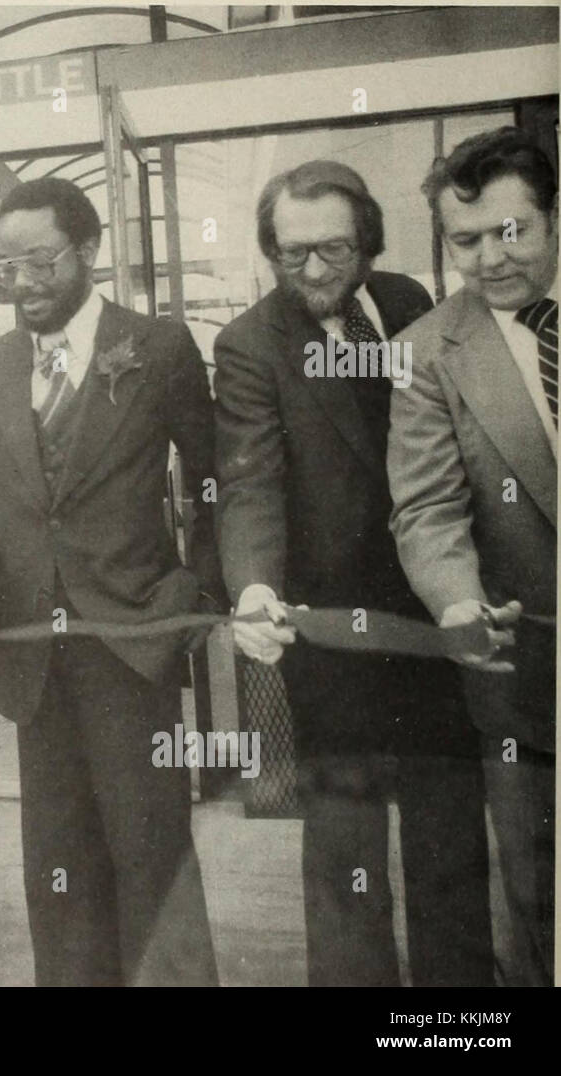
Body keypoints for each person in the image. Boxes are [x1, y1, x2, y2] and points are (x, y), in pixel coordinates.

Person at [213, 160, 493, 986]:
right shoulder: (250, 345)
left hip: (439, 615)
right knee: (347, 842)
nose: (311, 270)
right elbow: (249, 485)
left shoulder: (411, 305)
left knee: (449, 827)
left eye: (331, 250)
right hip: (331, 632)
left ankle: (459, 1016)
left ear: (367, 243)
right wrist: (256, 588)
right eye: (290, 253)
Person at [0, 176, 221, 986]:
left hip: (135, 642)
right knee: (55, 856)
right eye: (6, 267)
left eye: (41, 262)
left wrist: (194, 598)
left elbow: (211, 482)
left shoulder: (159, 347)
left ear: (88, 252)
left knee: (150, 847)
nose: (22, 283)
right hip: (34, 656)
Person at [388, 127, 557, 986]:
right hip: (526, 674)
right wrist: (457, 602)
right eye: (466, 240)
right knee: (536, 898)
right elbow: (425, 508)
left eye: (512, 231)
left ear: (553, 221)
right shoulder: (424, 352)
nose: (490, 257)